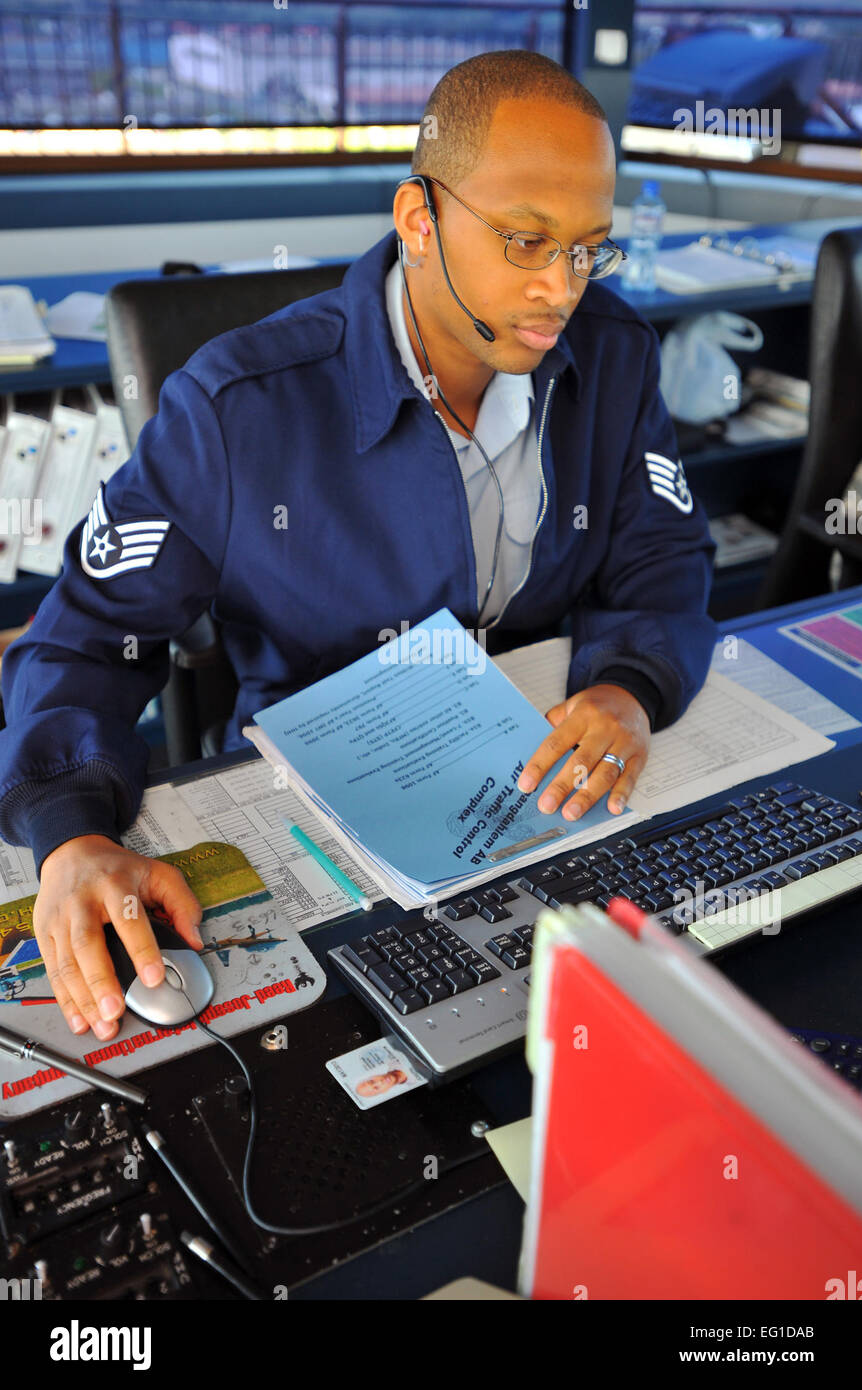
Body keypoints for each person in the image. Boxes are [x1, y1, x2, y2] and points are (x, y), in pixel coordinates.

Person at [0, 50, 716, 1042]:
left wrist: (628, 684)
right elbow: (82, 638)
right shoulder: (236, 409)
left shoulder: (614, 354)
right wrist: (69, 831)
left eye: (591, 247)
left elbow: (663, 558)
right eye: (526, 241)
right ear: (419, 220)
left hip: (540, 794)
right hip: (324, 831)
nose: (564, 287)